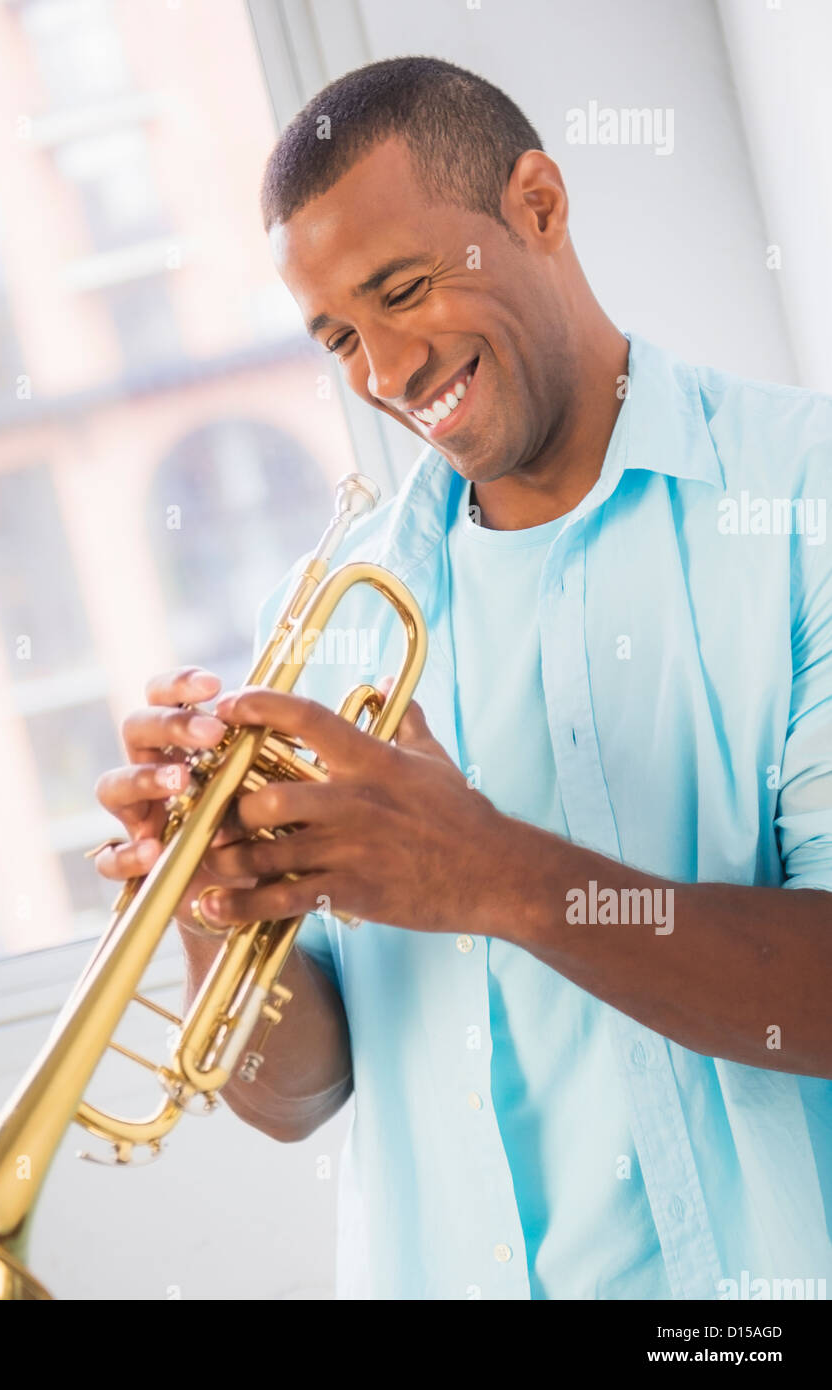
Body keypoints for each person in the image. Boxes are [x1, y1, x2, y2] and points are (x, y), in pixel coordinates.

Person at [93, 57, 832, 1300]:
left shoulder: (804, 498)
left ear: (537, 204)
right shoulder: (332, 618)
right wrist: (209, 910)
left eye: (404, 290)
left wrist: (490, 873)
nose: (384, 371)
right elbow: (304, 1092)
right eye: (339, 335)